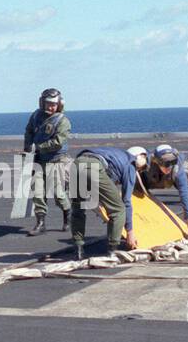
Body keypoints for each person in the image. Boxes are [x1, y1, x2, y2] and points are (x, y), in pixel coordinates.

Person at [70, 145, 146, 258]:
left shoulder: (116, 155)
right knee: (118, 209)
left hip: (77, 163)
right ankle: (112, 250)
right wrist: (129, 232)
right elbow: (126, 201)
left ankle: (78, 248)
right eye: (142, 168)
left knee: (78, 208)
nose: (139, 171)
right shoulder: (130, 164)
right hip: (93, 166)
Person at [22, 88, 72, 235]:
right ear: (42, 102)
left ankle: (67, 217)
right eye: (48, 103)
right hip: (38, 160)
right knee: (38, 193)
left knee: (58, 192)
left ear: (59, 105)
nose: (51, 107)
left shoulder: (63, 121)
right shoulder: (36, 116)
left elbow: (58, 142)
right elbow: (29, 131)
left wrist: (37, 147)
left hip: (56, 160)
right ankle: (40, 224)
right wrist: (27, 146)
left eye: (54, 104)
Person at [143, 143, 188, 241]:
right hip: (150, 179)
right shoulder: (146, 164)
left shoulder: (177, 169)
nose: (170, 166)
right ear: (156, 161)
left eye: (173, 162)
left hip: (172, 178)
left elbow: (184, 196)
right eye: (166, 163)